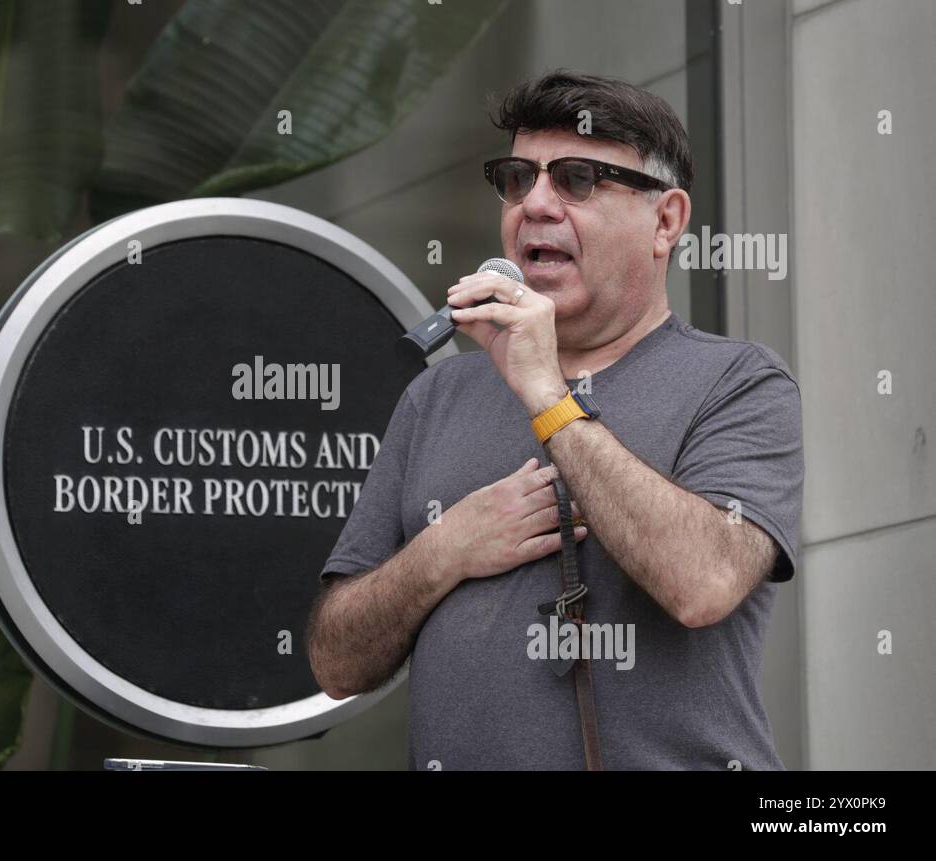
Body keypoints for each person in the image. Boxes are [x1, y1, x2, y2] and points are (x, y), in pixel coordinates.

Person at [307, 70, 804, 770]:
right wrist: (445, 549)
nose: (534, 203)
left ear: (665, 221)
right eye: (517, 178)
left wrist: (548, 393)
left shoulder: (740, 383)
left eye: (576, 179)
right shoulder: (437, 396)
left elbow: (703, 582)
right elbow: (335, 663)